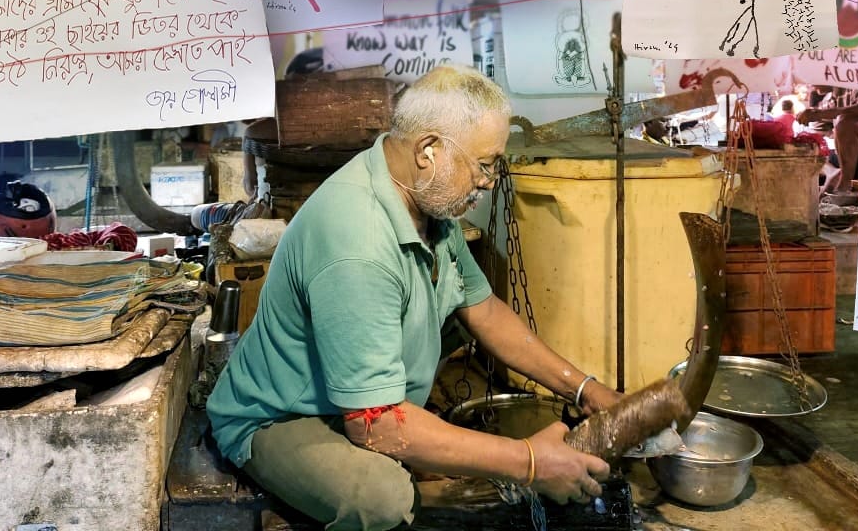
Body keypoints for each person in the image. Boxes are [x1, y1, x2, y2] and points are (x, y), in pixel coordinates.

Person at [206, 65, 620, 531]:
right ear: (429, 150)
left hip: (360, 400)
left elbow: (482, 309)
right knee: (381, 498)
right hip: (283, 415)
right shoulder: (357, 242)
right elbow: (375, 423)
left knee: (430, 450)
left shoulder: (426, 199)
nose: (489, 181)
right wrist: (528, 462)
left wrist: (585, 389)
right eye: (485, 164)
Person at [796, 87, 858, 200]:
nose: (811, 86)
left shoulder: (855, 85)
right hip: (843, 156)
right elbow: (816, 130)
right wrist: (812, 115)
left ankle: (844, 186)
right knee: (806, 143)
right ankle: (832, 172)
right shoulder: (830, 98)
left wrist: (828, 113)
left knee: (845, 123)